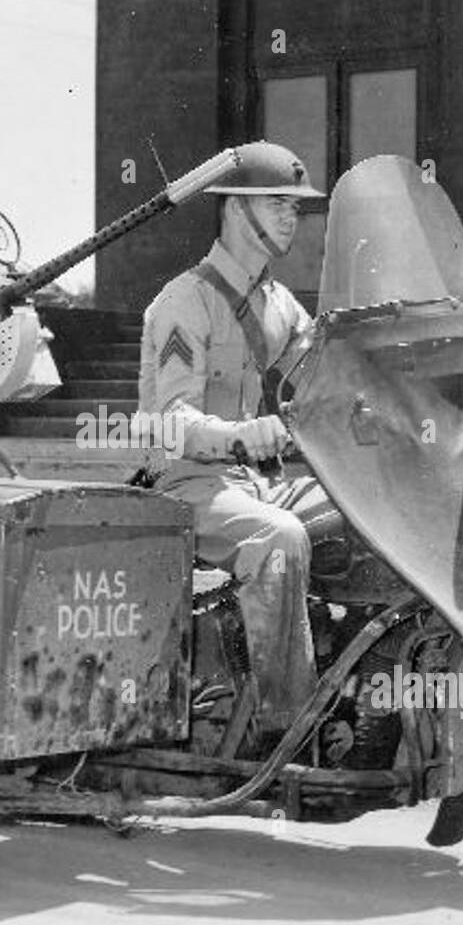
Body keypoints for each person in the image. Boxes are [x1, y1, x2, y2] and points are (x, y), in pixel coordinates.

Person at [137, 141, 344, 733]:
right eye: (277, 203)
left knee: (366, 518)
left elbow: (321, 373)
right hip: (184, 484)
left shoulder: (278, 304)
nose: (291, 217)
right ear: (235, 209)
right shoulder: (185, 301)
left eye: (294, 207)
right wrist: (238, 434)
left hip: (253, 481)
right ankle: (289, 723)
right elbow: (169, 420)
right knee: (277, 539)